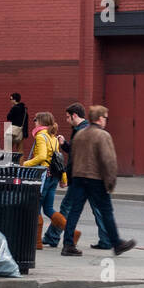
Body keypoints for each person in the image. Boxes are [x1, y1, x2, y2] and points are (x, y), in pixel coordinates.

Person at [60, 105, 135, 257]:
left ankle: (68, 244)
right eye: (106, 117)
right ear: (100, 118)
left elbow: (73, 157)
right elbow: (109, 161)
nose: (106, 120)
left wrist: (70, 176)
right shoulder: (103, 135)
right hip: (95, 178)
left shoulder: (80, 134)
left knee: (75, 211)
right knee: (106, 211)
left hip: (79, 177)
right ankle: (116, 243)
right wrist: (110, 182)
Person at [46, 103, 109, 250]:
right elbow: (76, 151)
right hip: (90, 177)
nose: (66, 120)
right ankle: (106, 240)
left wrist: (66, 175)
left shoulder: (82, 130)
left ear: (75, 115)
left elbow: (78, 157)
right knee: (96, 208)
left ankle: (53, 237)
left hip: (81, 176)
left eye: (68, 117)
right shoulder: (81, 129)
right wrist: (65, 145)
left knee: (67, 208)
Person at [20, 111, 64, 249]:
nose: (34, 122)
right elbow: (58, 159)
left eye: (35, 119)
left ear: (41, 122)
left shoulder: (40, 135)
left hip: (43, 176)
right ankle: (72, 233)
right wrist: (63, 178)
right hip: (54, 177)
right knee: (49, 209)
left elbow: (41, 157)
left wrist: (24, 164)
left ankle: (37, 243)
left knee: (36, 208)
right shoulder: (53, 136)